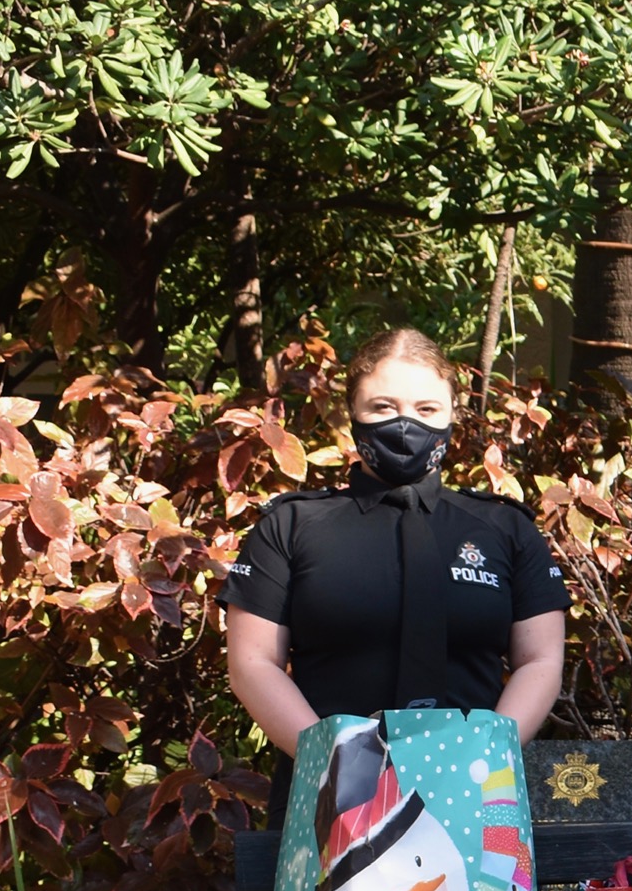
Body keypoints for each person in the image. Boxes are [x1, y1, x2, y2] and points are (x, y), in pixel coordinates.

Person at [224, 327, 569, 811]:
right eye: (383, 407)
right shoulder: (291, 526)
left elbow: (541, 660)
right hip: (329, 797)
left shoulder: (505, 529)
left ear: (453, 413)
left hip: (476, 791)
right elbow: (252, 663)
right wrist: (337, 763)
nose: (406, 424)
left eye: (426, 409)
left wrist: (487, 755)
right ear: (352, 411)